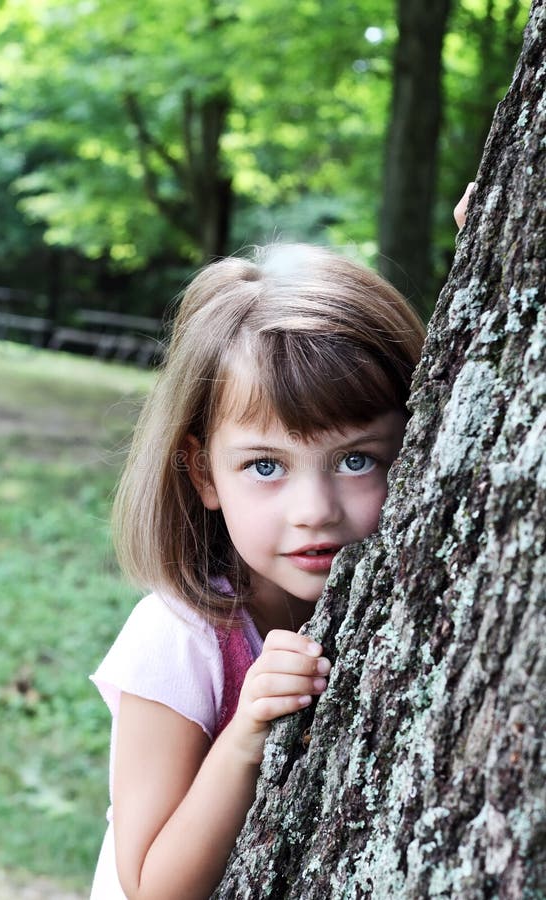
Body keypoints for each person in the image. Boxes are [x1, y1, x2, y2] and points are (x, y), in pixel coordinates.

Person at [89, 242, 426, 900]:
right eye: (266, 466)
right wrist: (246, 736)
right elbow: (153, 888)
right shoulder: (182, 638)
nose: (314, 511)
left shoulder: (392, 601)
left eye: (357, 460)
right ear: (203, 472)